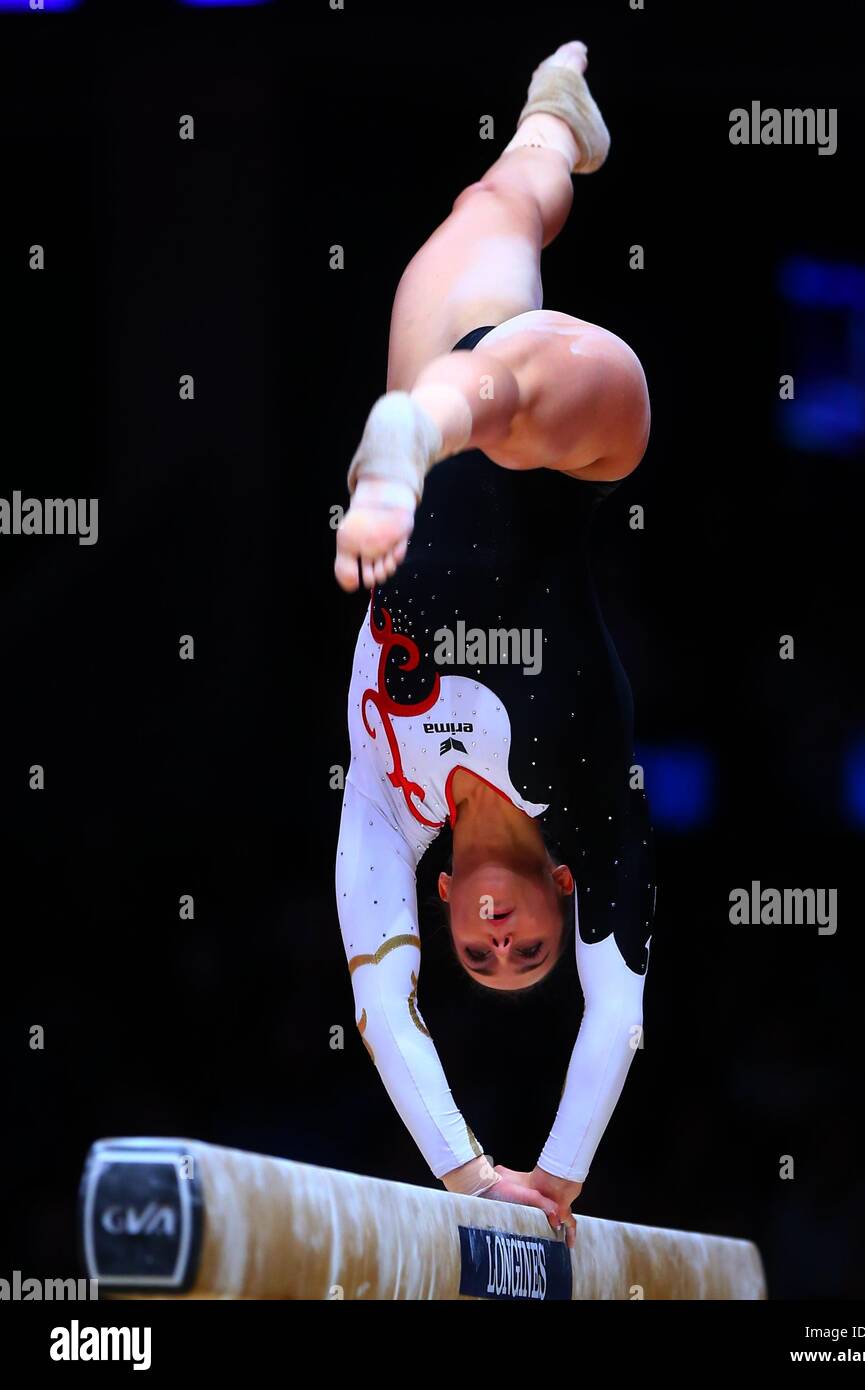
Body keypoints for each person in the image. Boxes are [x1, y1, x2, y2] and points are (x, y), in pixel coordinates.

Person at [334, 40, 654, 1248]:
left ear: (447, 906)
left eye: (476, 951)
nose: (498, 939)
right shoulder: (590, 807)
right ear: (559, 898)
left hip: (445, 387)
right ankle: (410, 435)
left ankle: (556, 123)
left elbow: (379, 998)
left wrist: (468, 1179)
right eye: (526, 949)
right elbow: (615, 1019)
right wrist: (552, 1177)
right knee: (506, 397)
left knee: (494, 203)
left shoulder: (386, 801)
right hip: (570, 430)